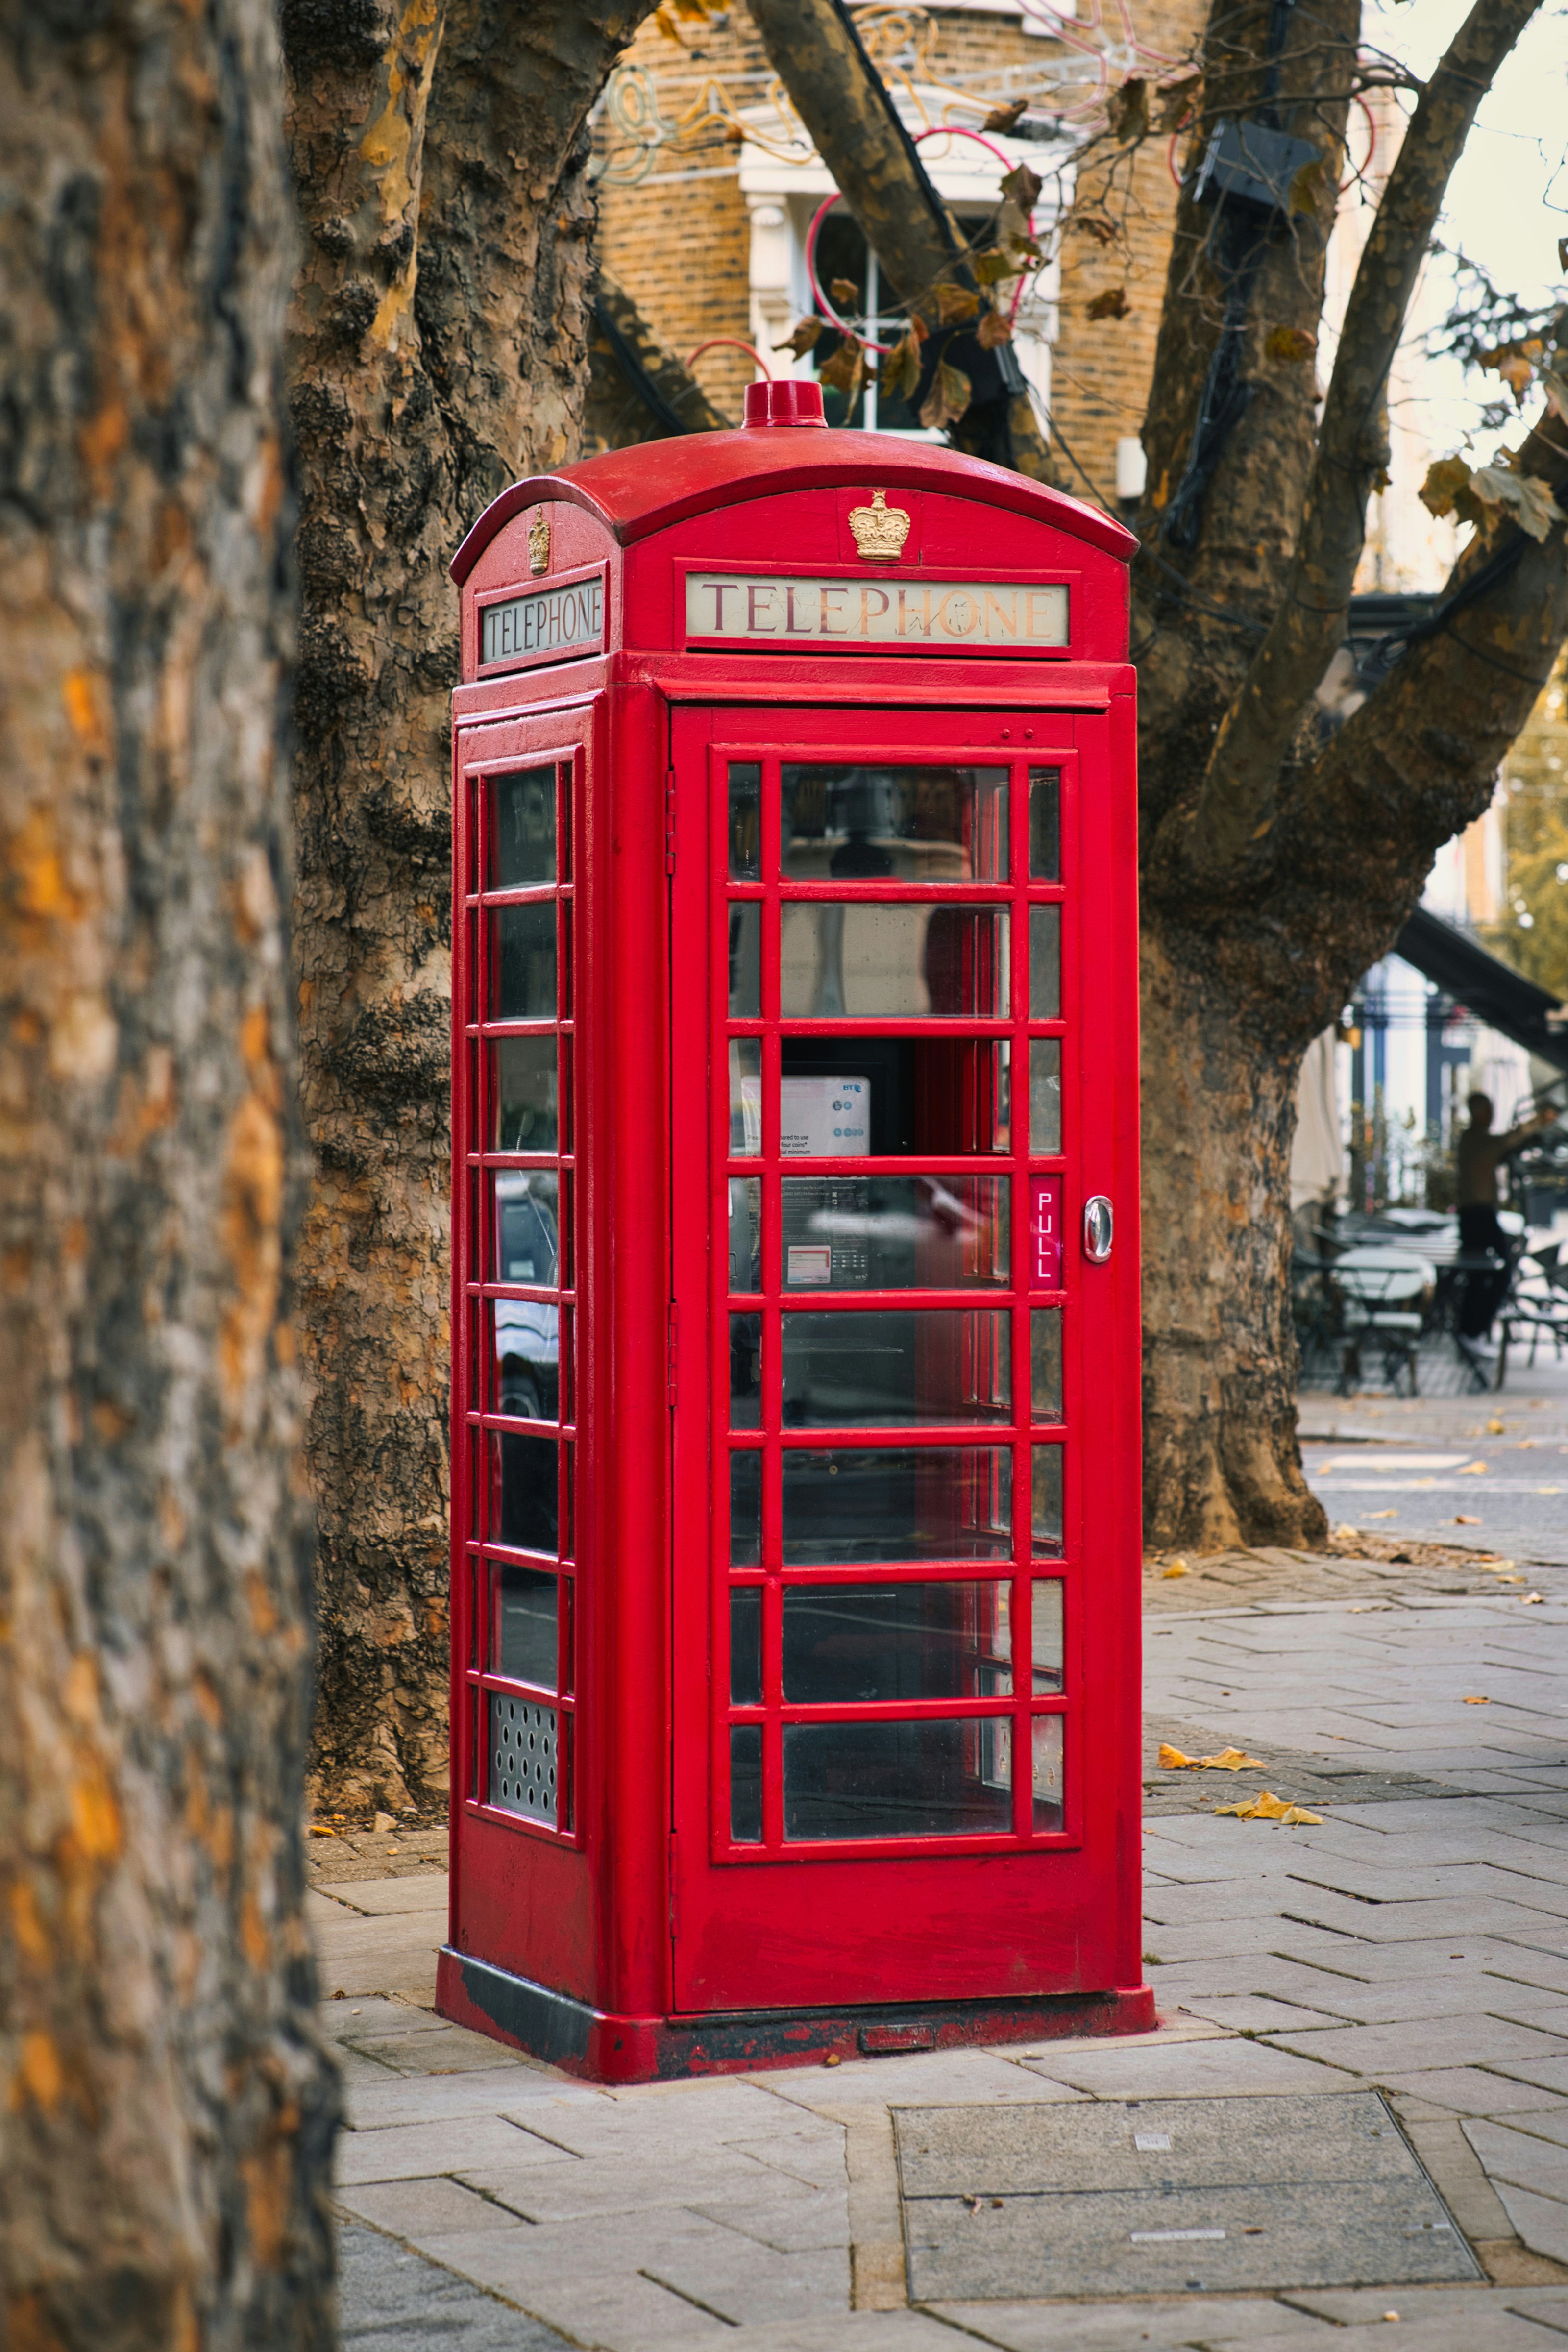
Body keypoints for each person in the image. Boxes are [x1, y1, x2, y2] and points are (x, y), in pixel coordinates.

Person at [1455, 1091, 1558, 1344]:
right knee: (1498, 1272)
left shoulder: (1473, 1140)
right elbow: (1506, 1141)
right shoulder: (1476, 1140)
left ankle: (1472, 1330)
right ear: (1479, 1113)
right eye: (1488, 1110)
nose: (1492, 1115)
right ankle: (1473, 1330)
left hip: (1475, 1214)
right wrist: (1539, 1121)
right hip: (1478, 1214)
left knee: (1481, 1274)